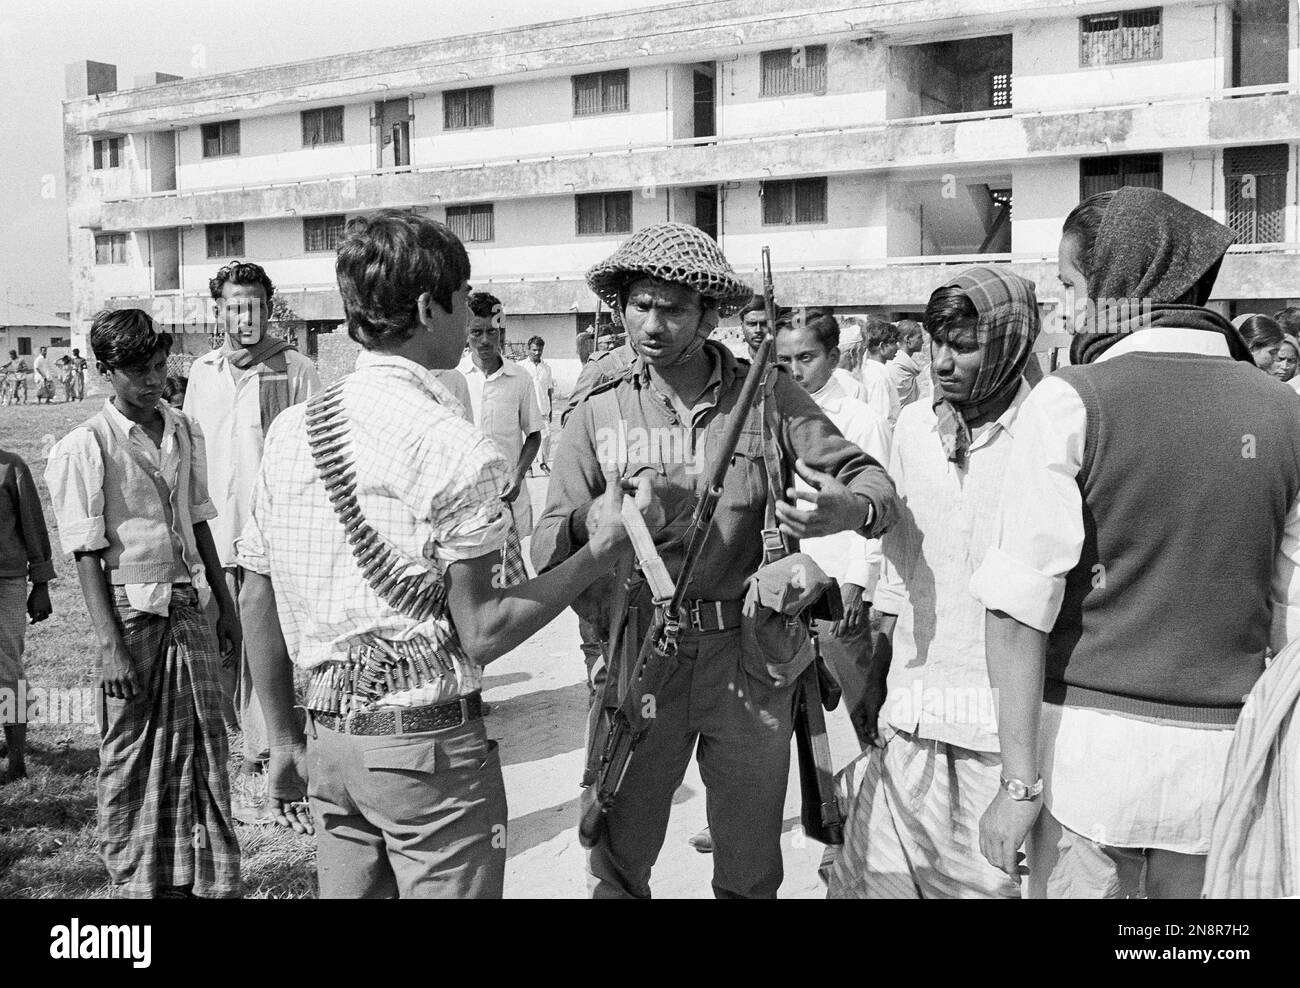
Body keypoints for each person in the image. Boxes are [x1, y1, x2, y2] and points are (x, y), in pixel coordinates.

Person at [236, 209, 655, 898]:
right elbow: (484, 631)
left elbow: (257, 593)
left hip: (330, 743)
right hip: (425, 754)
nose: (471, 317)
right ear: (431, 307)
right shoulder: (452, 443)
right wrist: (599, 552)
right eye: (464, 299)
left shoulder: (291, 429)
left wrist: (283, 742)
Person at [533, 222, 899, 899]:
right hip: (642, 654)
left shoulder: (764, 396)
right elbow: (549, 541)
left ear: (709, 314)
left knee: (750, 870)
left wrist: (844, 511)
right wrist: (600, 521)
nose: (651, 322)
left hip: (751, 658)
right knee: (617, 862)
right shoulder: (598, 408)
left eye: (672, 308)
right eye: (639, 303)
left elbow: (872, 481)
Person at [970, 186, 1300, 899]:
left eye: (1070, 284)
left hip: (1085, 769)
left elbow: (1016, 613)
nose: (1065, 308)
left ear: (1124, 283)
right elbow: (1290, 621)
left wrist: (1017, 783)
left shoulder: (1070, 399)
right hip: (1226, 773)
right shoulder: (1285, 412)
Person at [827, 268, 1041, 899]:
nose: (942, 362)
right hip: (914, 705)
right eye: (933, 342)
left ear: (1008, 343)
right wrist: (876, 658)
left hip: (1001, 728)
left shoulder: (1051, 429)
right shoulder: (916, 427)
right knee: (880, 882)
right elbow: (901, 560)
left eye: (965, 344)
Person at [45, 308, 242, 899]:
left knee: (205, 748)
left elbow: (200, 518)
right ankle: (137, 881)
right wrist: (110, 646)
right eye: (137, 371)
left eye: (159, 366)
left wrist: (225, 606)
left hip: (189, 605)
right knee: (131, 753)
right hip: (130, 616)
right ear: (106, 372)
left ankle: (200, 879)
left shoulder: (182, 428)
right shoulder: (85, 446)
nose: (153, 380)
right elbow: (85, 551)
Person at [184, 260, 320, 825]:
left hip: (274, 534)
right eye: (234, 305)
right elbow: (192, 457)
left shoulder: (295, 368)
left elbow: (315, 452)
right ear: (219, 311)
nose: (245, 316)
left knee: (274, 643)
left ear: (270, 307)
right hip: (216, 535)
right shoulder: (202, 372)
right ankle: (243, 745)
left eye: (255, 304)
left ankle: (275, 752)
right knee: (222, 640)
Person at [774, 311, 889, 745]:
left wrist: (860, 583)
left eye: (806, 357)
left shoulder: (859, 421)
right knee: (793, 722)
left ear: (834, 356)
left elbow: (881, 507)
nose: (794, 370)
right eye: (784, 360)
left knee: (864, 712)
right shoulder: (769, 415)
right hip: (785, 589)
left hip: (838, 588)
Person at [458, 293, 543, 543]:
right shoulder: (454, 377)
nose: (485, 340)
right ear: (466, 333)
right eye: (476, 332)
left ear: (502, 332)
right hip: (465, 500)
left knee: (508, 577)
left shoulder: (520, 378)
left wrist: (518, 475)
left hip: (506, 495)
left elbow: (534, 434)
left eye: (492, 332)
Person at [0, 447, 55, 783]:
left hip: (6, 581)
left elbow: (32, 524)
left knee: (7, 668)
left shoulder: (11, 466)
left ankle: (17, 759)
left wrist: (41, 582)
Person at [520, 335, 555, 475]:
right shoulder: (521, 367)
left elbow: (549, 390)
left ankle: (543, 463)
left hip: (543, 408)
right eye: (534, 350)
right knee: (526, 438)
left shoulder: (546, 368)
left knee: (546, 437)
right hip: (526, 408)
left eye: (539, 350)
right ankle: (527, 467)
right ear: (528, 349)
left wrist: (551, 409)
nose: (536, 353)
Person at [859, 320, 901, 429]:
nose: (897, 347)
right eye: (893, 343)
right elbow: (881, 419)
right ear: (882, 346)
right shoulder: (879, 377)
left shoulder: (870, 370)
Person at [886, 319, 927, 409]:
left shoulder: (907, 365)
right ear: (908, 339)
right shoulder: (896, 366)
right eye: (919, 337)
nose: (923, 342)